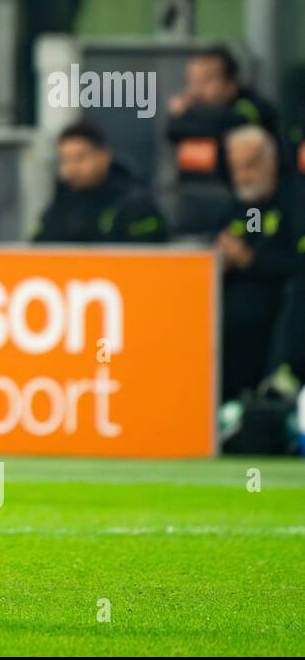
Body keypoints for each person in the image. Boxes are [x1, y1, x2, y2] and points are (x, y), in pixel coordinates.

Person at [216, 125, 305, 401]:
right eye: (237, 168)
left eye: (251, 165)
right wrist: (222, 260)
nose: (243, 175)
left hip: (285, 302)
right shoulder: (248, 207)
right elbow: (252, 234)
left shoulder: (296, 200)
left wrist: (251, 260)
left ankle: (277, 386)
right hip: (239, 304)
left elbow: (299, 262)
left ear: (273, 159)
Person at [32, 121, 167, 243]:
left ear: (104, 156)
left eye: (80, 158)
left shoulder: (136, 204)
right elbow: (38, 251)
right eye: (64, 160)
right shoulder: (60, 204)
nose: (71, 168)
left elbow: (146, 258)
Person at [166, 46, 278, 181]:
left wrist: (183, 116)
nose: (196, 90)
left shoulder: (252, 106)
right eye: (192, 81)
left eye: (206, 81)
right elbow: (172, 130)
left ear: (231, 83)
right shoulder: (193, 110)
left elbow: (227, 124)